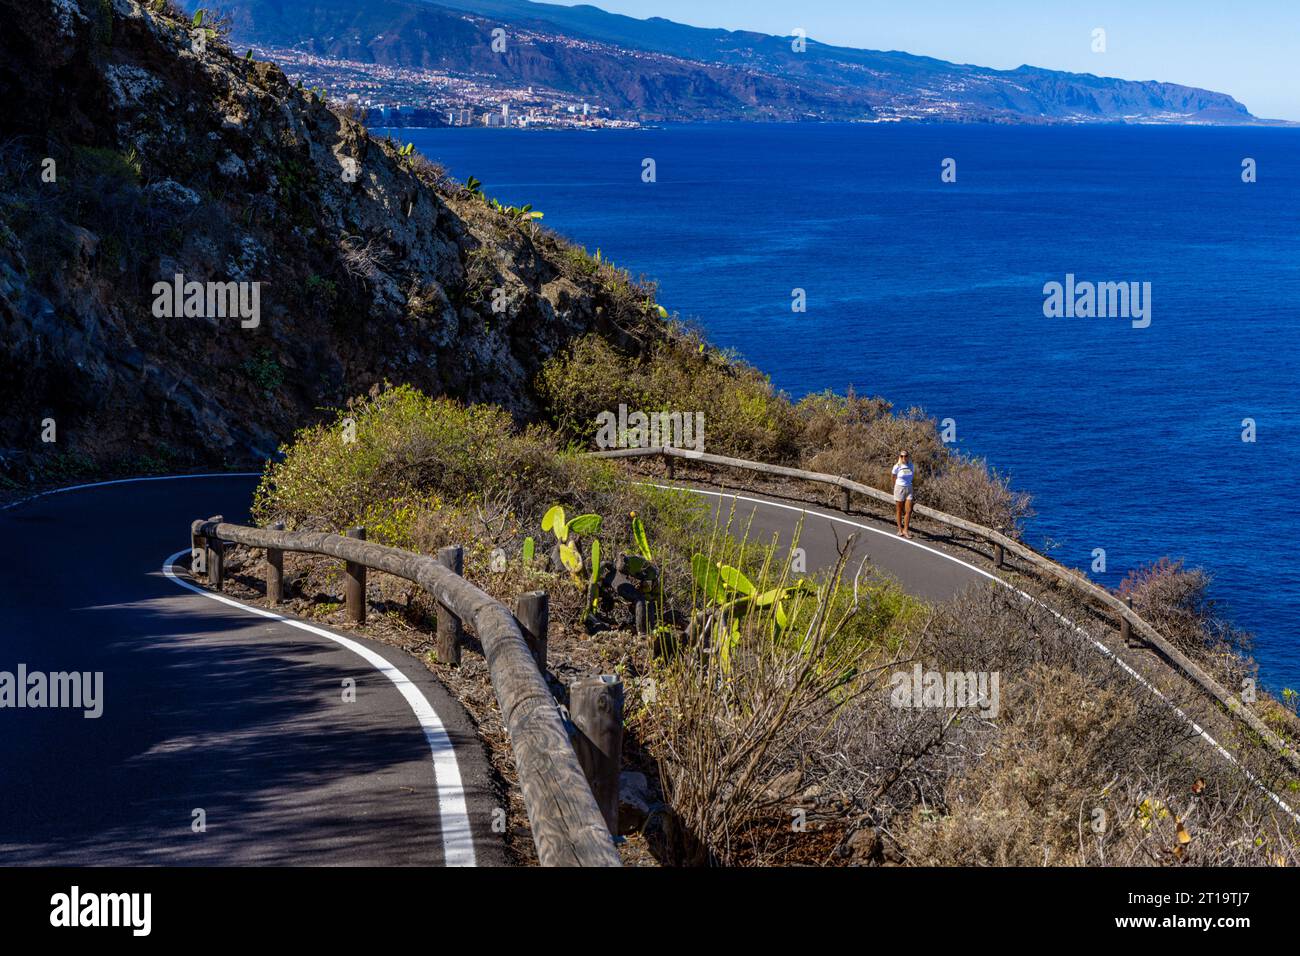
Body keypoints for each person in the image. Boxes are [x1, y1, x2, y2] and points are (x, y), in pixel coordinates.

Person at [891, 450, 914, 538]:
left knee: (908, 511)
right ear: (899, 457)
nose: (903, 458)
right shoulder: (897, 466)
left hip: (909, 488)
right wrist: (895, 487)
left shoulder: (911, 465)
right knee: (899, 510)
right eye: (901, 456)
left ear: (908, 456)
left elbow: (912, 476)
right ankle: (900, 529)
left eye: (905, 456)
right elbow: (893, 477)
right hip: (899, 488)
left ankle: (906, 530)